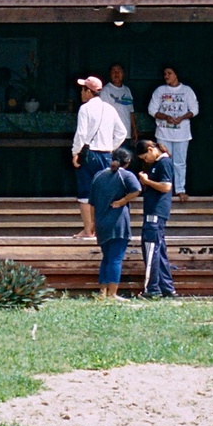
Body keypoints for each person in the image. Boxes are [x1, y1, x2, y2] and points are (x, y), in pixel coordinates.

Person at [71, 74, 128, 240]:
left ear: (89, 91)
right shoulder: (110, 108)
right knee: (102, 192)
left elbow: (81, 133)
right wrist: (111, 147)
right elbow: (122, 132)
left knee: (85, 192)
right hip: (106, 155)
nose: (81, 93)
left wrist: (76, 152)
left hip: (89, 153)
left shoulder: (85, 109)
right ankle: (99, 228)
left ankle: (88, 230)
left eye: (82, 89)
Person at [88, 147, 141, 300]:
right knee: (116, 259)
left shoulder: (99, 175)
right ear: (128, 161)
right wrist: (123, 201)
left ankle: (102, 293)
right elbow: (137, 189)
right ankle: (113, 293)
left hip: (101, 222)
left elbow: (91, 203)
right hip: (118, 223)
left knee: (106, 258)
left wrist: (93, 223)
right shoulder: (126, 175)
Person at [147, 66, 199, 201]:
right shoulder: (160, 90)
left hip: (182, 134)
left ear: (177, 74)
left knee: (180, 163)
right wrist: (165, 117)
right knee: (163, 161)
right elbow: (152, 109)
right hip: (163, 133)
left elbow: (195, 109)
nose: (166, 76)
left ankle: (180, 189)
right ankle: (164, 189)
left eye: (169, 73)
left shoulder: (186, 91)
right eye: (165, 74)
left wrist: (182, 118)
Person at [135, 139, 177, 298]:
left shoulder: (164, 163)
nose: (145, 160)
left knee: (151, 249)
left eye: (145, 156)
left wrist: (146, 181)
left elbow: (166, 187)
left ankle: (151, 288)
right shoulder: (157, 164)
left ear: (151, 149)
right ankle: (167, 287)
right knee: (159, 251)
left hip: (156, 212)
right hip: (154, 211)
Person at [99, 64, 136, 142]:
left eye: (119, 71)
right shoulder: (106, 90)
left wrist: (134, 129)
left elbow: (131, 111)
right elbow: (104, 113)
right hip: (113, 134)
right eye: (113, 72)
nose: (116, 74)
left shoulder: (127, 90)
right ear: (110, 74)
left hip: (126, 132)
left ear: (123, 74)